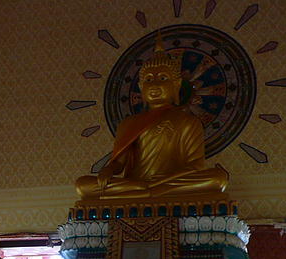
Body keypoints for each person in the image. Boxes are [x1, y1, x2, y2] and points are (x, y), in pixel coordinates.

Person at [75, 34, 228, 201]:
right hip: (136, 183)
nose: (154, 84)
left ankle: (145, 192)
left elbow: (195, 166)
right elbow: (119, 164)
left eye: (163, 78)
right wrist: (108, 170)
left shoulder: (188, 122)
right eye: (148, 79)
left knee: (218, 178)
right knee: (82, 186)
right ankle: (145, 191)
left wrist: (163, 179)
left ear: (176, 85)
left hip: (167, 183)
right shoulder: (129, 123)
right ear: (141, 88)